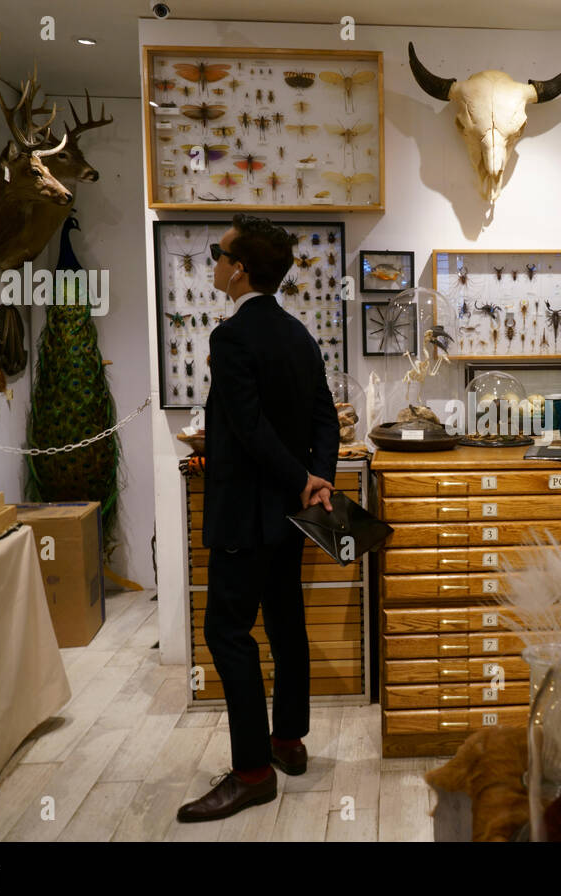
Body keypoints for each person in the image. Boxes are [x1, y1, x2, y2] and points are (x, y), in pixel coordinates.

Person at [177, 215, 340, 823]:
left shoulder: (232, 337)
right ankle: (288, 742)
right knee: (286, 622)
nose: (215, 263)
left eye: (219, 255)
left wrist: (303, 479)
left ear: (240, 268)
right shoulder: (300, 335)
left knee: (227, 633)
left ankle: (251, 772)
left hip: (247, 515)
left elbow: (247, 427)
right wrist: (316, 477)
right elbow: (325, 421)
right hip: (290, 516)